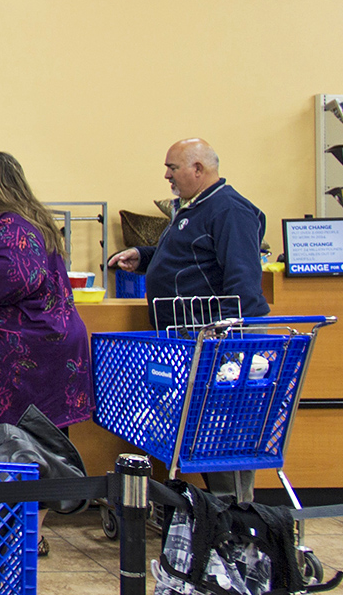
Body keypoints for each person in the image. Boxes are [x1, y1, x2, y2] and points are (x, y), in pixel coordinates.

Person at [108, 137, 269, 500]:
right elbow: (192, 257)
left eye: (173, 167)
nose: (166, 175)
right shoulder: (195, 208)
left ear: (199, 169)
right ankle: (219, 511)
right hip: (189, 338)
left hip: (219, 343)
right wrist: (145, 257)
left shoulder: (229, 210)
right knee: (203, 433)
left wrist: (228, 343)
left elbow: (243, 282)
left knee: (224, 434)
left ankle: (233, 514)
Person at [0, 150, 94, 557]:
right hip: (44, 348)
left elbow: (12, 275)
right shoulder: (22, 220)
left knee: (34, 443)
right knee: (39, 439)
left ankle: (29, 534)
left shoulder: (13, 226)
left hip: (28, 357)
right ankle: (26, 531)